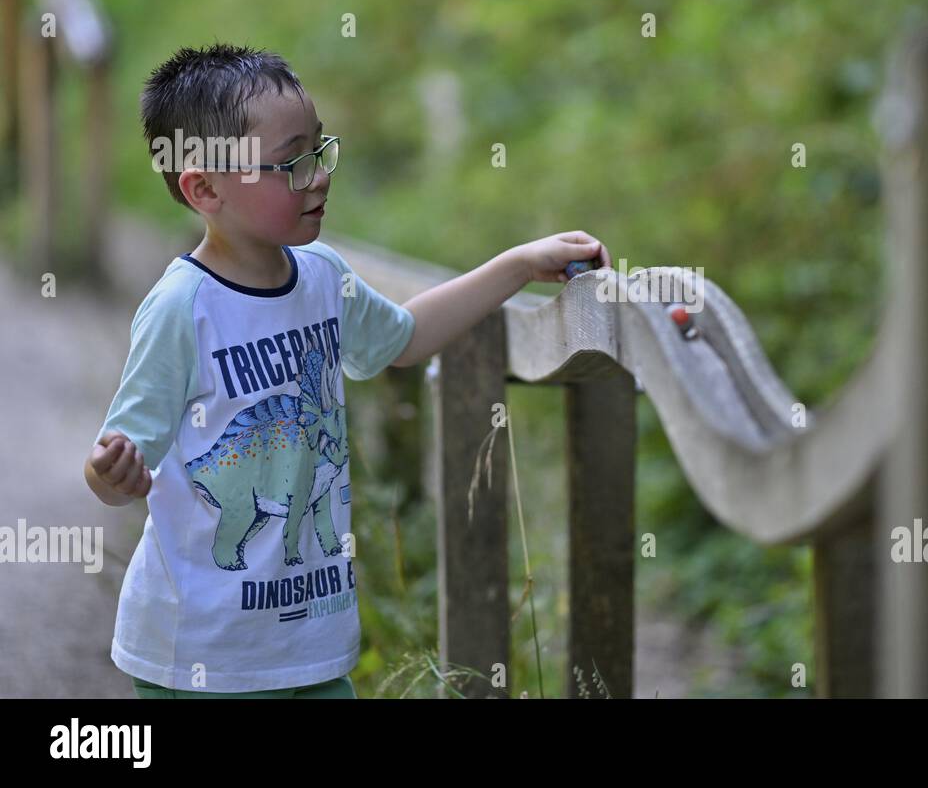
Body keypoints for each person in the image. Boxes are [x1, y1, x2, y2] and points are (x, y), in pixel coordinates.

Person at [84, 43, 610, 698]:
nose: (318, 175)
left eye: (320, 151)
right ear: (205, 187)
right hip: (204, 656)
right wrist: (113, 474)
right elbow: (116, 464)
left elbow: (407, 338)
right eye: (291, 163)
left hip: (314, 647)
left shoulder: (323, 277)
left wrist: (520, 264)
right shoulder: (182, 309)